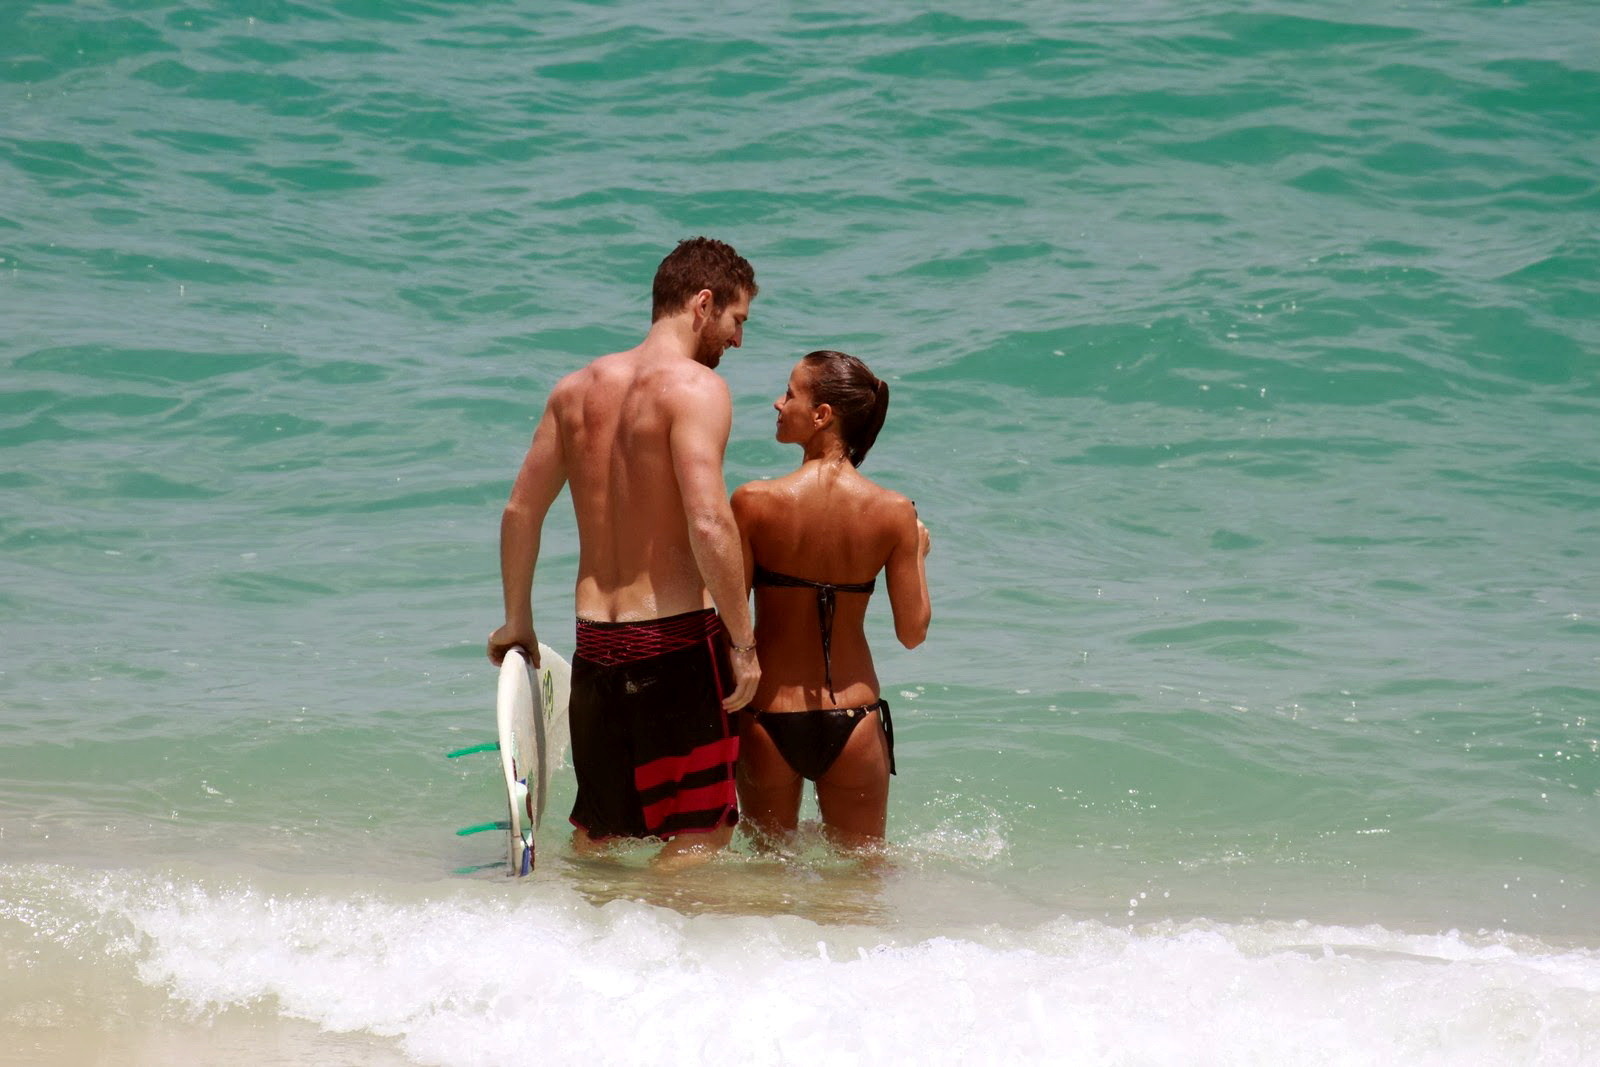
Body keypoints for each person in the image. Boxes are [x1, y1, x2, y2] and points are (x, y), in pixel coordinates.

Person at [487, 237, 761, 870]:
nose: (738, 340)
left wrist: (517, 620)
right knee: (700, 834)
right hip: (678, 646)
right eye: (737, 319)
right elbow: (708, 519)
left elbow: (520, 511)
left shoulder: (575, 390)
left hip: (596, 651)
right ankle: (654, 958)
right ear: (702, 303)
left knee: (601, 837)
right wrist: (743, 644)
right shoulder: (696, 389)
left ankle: (598, 952)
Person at [731, 350, 931, 851]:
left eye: (790, 394)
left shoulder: (754, 502)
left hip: (766, 718)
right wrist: (919, 552)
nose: (778, 403)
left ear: (822, 415)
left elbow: (725, 609)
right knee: (864, 880)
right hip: (855, 717)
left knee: (767, 875)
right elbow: (912, 633)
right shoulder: (893, 512)